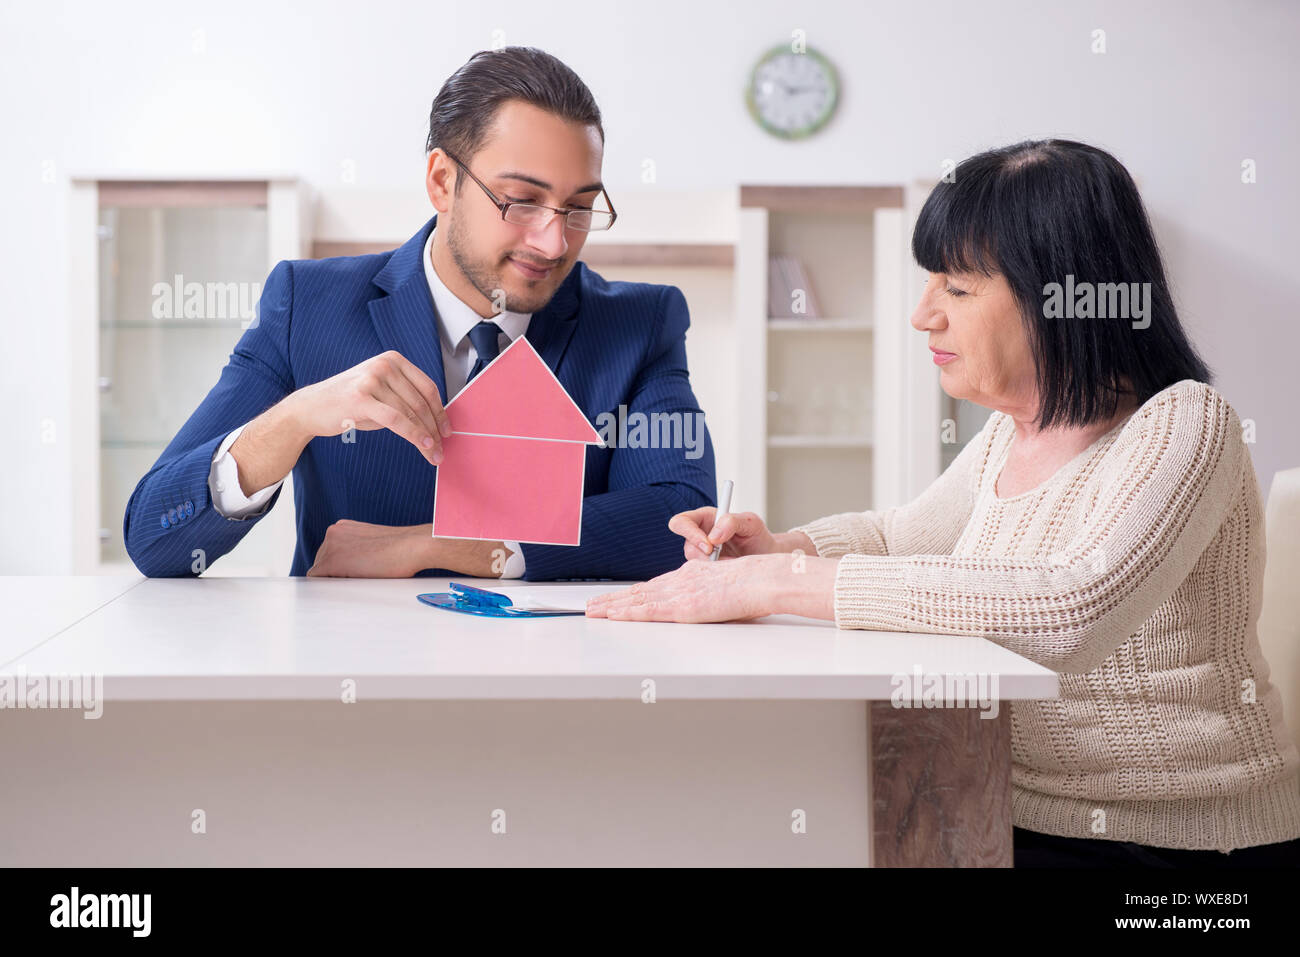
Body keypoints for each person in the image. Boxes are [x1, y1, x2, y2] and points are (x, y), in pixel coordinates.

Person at [587, 139, 1300, 867]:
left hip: (1184, 848)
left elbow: (1072, 608)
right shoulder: (1011, 433)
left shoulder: (1185, 421)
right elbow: (901, 538)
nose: (923, 314)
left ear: (1064, 294)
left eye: (957, 289)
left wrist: (781, 584)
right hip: (1005, 806)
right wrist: (781, 547)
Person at [124, 46, 715, 581]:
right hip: (352, 679)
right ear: (441, 181)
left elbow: (680, 525)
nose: (554, 242)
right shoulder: (309, 305)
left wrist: (439, 546)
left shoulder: (640, 323)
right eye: (523, 201)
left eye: (579, 208)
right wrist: (295, 418)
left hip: (553, 679)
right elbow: (154, 538)